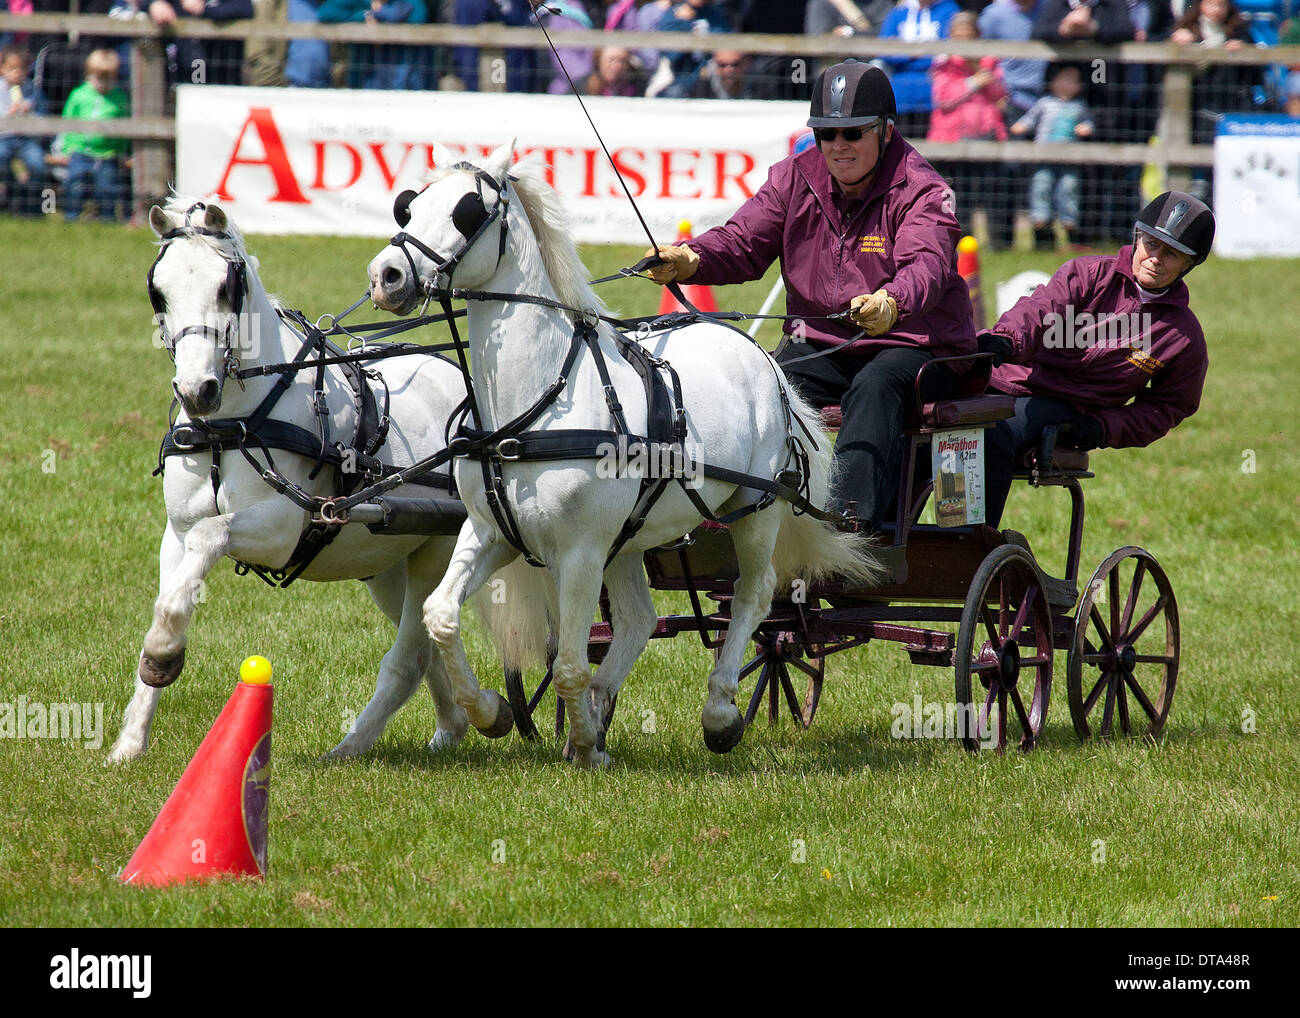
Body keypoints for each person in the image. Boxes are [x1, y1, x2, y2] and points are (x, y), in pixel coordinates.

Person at [643, 60, 976, 538]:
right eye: (826, 134)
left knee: (876, 385)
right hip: (823, 343)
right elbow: (743, 240)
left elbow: (928, 265)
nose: (838, 147)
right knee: (761, 383)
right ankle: (739, 517)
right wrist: (691, 259)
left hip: (918, 345)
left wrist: (891, 302)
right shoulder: (794, 177)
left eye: (854, 133)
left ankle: (843, 529)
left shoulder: (924, 190)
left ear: (886, 131)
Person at [977, 191, 1215, 527]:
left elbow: (1168, 408)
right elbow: (1041, 310)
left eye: (1172, 254)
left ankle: (969, 545)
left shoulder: (1183, 337)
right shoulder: (1088, 275)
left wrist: (1103, 428)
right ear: (1137, 237)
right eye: (1151, 244)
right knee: (918, 419)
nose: (1156, 258)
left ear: (1190, 264)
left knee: (990, 432)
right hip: (1002, 380)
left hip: (1065, 408)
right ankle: (889, 534)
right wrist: (1007, 339)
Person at [1011, 62, 1094, 249]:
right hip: (1044, 157)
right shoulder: (1044, 103)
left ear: (1080, 86)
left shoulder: (1079, 106)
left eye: (1072, 80)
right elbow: (1030, 118)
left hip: (1069, 158)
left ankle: (1069, 223)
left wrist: (1086, 128)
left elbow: (1088, 122)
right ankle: (1040, 221)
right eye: (1062, 79)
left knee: (1069, 188)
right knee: (1041, 186)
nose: (1066, 84)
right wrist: (1022, 125)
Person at [49, 47, 130, 222]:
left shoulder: (119, 98)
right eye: (100, 78)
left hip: (107, 154)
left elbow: (124, 128)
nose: (104, 84)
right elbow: (68, 122)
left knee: (107, 188)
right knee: (75, 183)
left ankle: (107, 219)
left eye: (109, 79)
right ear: (89, 74)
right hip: (79, 150)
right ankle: (71, 217)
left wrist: (122, 151)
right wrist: (66, 148)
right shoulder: (79, 95)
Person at [0, 45, 49, 215]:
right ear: (2, 69)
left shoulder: (33, 91)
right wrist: (8, 114)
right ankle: (13, 193)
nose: (17, 73)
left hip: (26, 139)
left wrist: (30, 114)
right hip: (4, 137)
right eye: (12, 69)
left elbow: (43, 117)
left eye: (21, 69)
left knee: (37, 164)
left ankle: (31, 204)